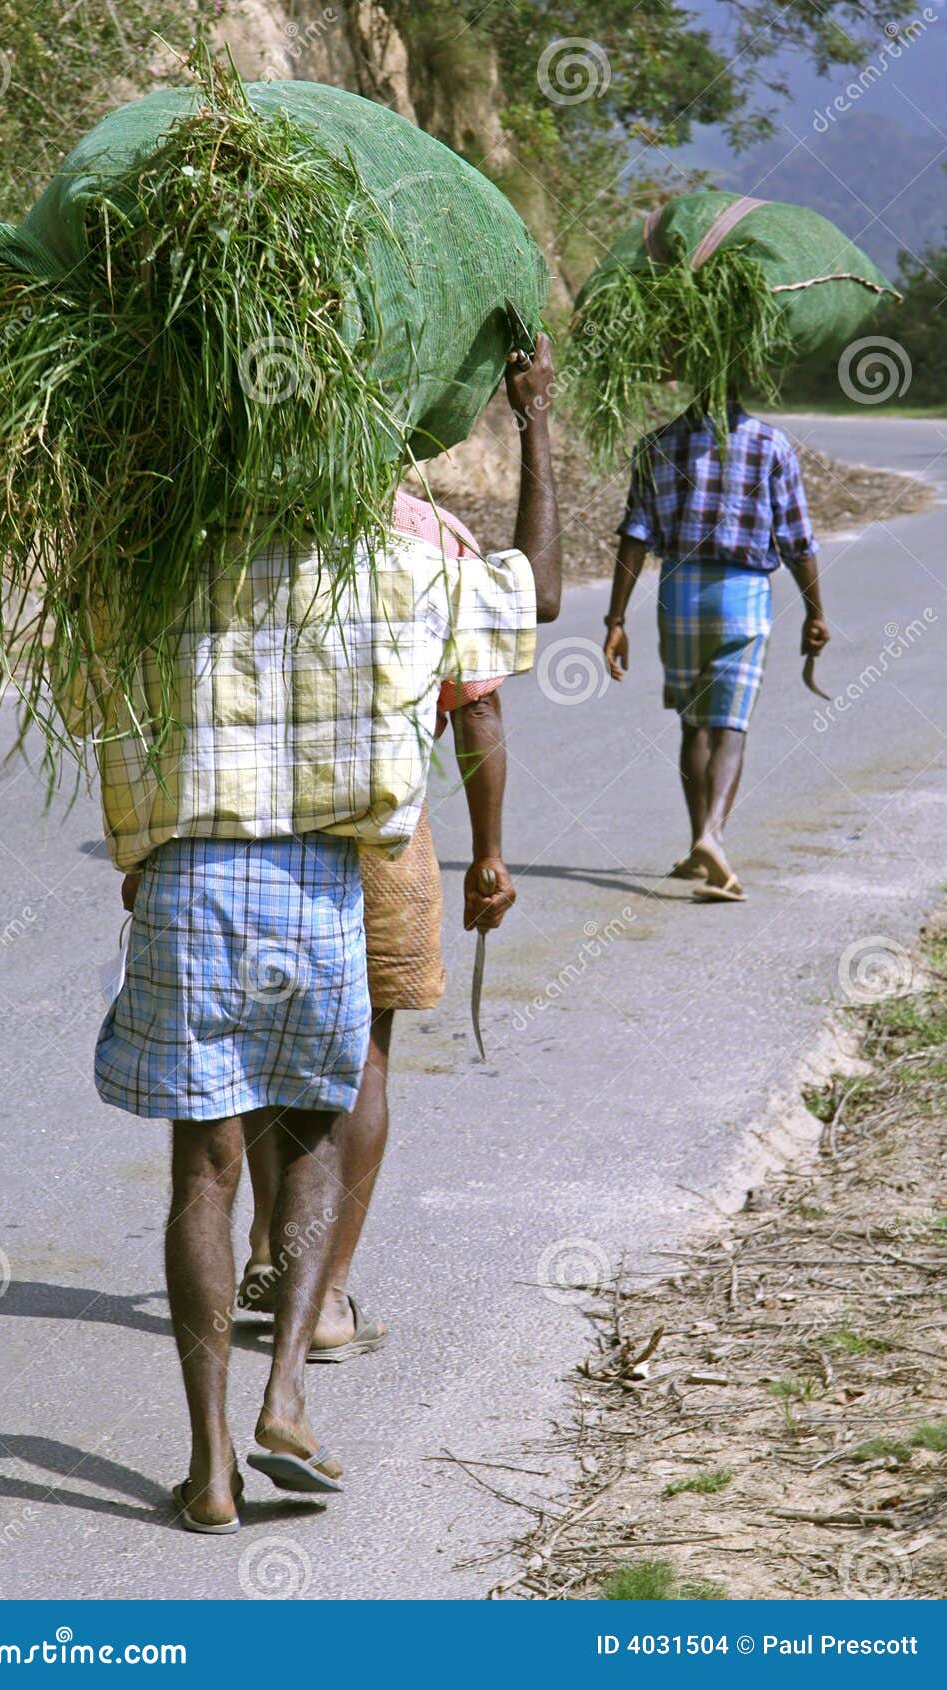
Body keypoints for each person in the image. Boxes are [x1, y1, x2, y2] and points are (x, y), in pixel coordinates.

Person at [64, 347, 550, 1532]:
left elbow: (91, 695)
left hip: (190, 882)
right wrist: (533, 421)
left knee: (204, 1173)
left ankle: (210, 1468)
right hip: (322, 884)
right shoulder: (400, 558)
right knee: (318, 1140)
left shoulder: (161, 550)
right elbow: (527, 603)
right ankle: (288, 1393)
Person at [234, 339, 563, 1354]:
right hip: (381, 829)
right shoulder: (426, 538)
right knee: (360, 1062)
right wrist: (534, 420)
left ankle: (273, 1242)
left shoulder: (235, 522)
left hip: (249, 823)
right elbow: (493, 684)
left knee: (266, 1049)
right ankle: (325, 1294)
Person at [603, 398, 829, 902]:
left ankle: (697, 845)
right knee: (730, 724)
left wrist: (616, 620)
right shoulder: (771, 444)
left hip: (680, 592)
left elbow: (635, 535)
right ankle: (712, 836)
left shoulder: (657, 444)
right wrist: (815, 612)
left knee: (694, 722)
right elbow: (797, 540)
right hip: (742, 594)